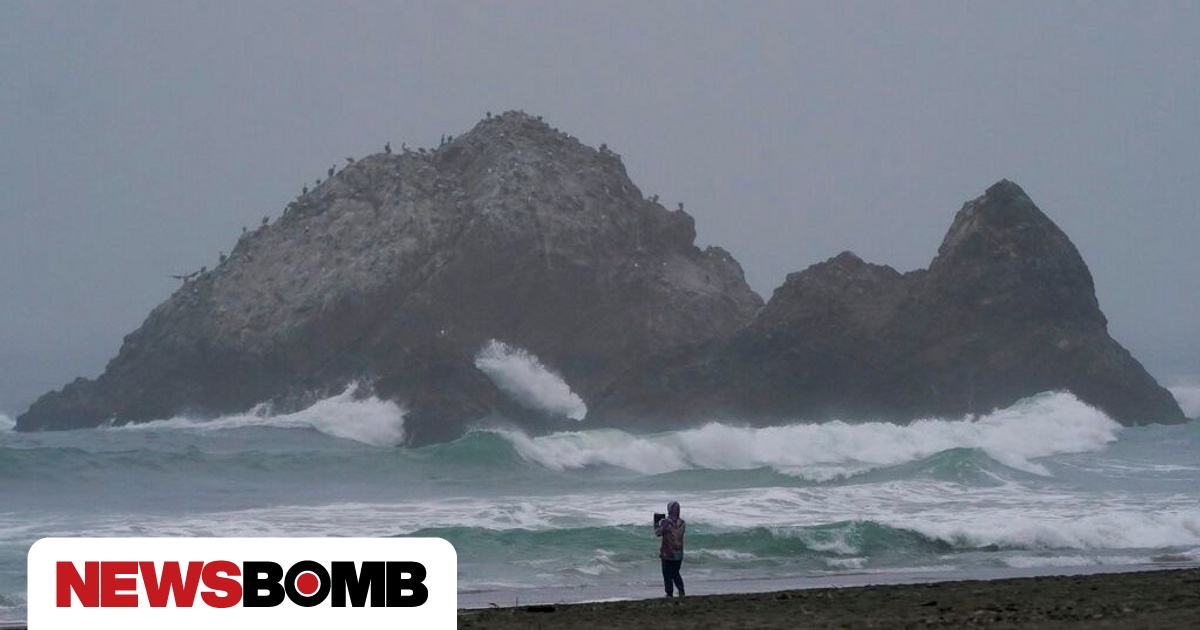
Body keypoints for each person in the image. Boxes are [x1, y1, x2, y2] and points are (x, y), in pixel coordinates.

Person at [654, 500, 686, 597]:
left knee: (667, 574)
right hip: (679, 552)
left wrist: (656, 522)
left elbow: (657, 533)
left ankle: (669, 593)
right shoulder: (683, 523)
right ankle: (681, 591)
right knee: (675, 573)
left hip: (667, 553)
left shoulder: (666, 522)